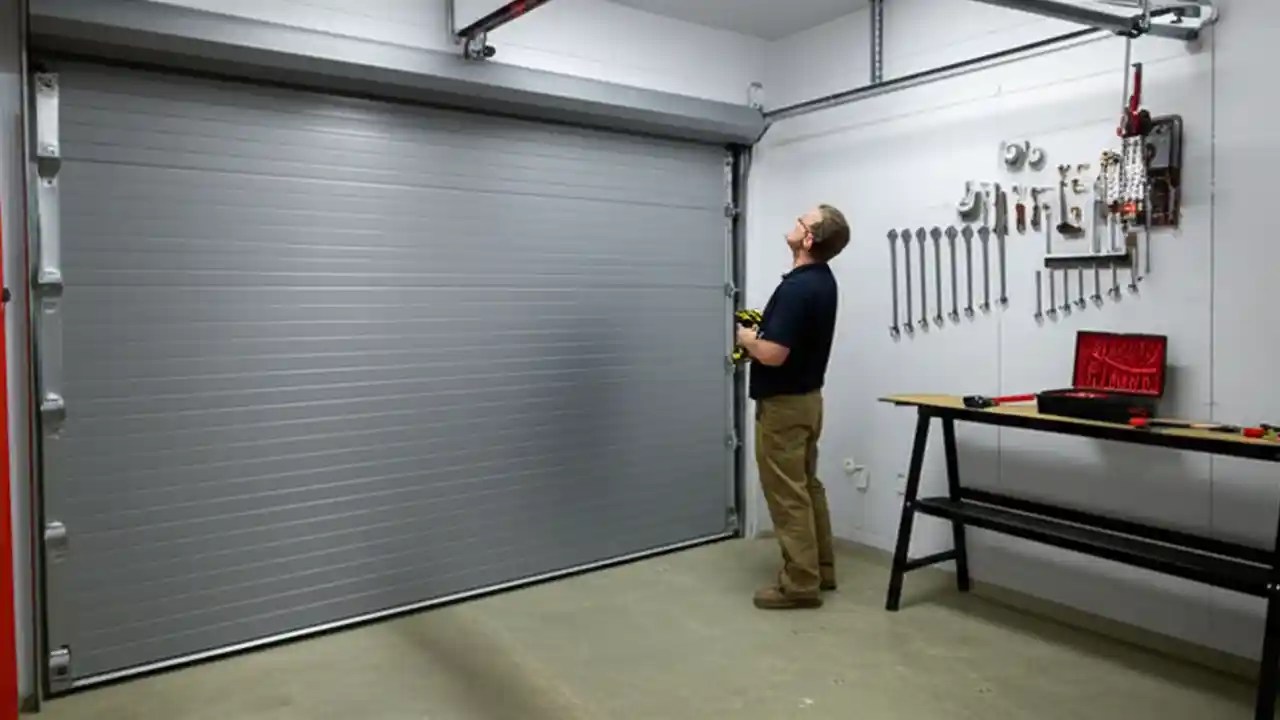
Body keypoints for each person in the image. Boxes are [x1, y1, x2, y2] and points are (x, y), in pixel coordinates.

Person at [735, 204, 849, 610]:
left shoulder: (799, 287)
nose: (794, 222)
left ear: (809, 239)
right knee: (806, 486)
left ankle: (800, 584)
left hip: (783, 406)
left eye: (801, 221)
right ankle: (822, 568)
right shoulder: (823, 281)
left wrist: (746, 338)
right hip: (808, 401)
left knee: (787, 494)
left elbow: (773, 353)